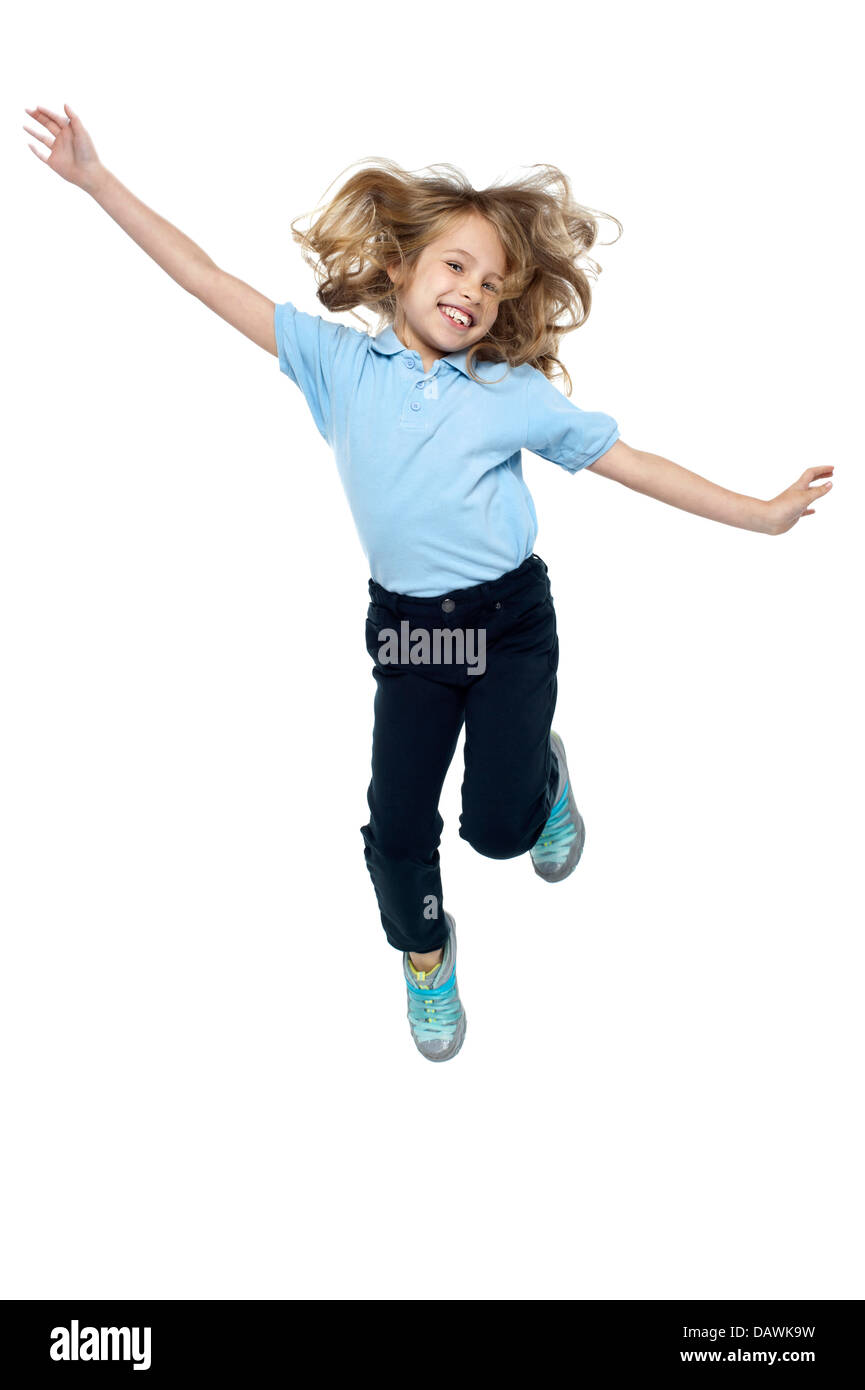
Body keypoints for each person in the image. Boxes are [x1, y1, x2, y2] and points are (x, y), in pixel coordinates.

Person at [23, 104, 835, 1064]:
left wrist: (761, 511)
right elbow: (207, 280)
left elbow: (635, 464)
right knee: (398, 823)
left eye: (491, 284)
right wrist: (96, 179)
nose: (473, 292)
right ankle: (425, 955)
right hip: (413, 637)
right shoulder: (335, 364)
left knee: (497, 832)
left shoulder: (510, 396)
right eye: (456, 265)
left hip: (507, 627)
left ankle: (540, 775)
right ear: (403, 266)